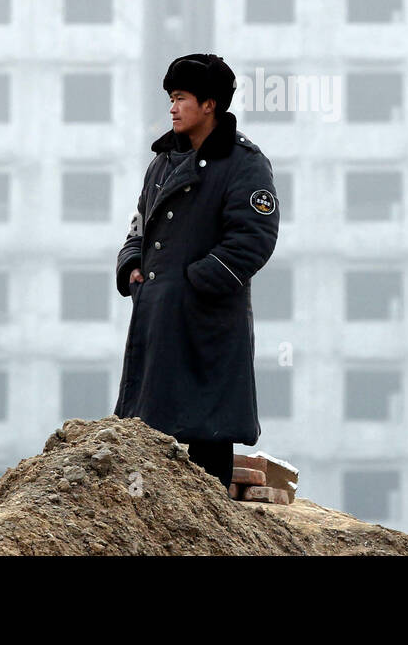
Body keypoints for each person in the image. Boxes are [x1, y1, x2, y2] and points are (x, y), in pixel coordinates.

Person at [112, 54, 280, 490]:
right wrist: (132, 261)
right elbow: (139, 222)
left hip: (208, 320)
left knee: (208, 434)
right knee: (148, 435)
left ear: (209, 104)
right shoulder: (163, 161)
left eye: (181, 98)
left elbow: (254, 238)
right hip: (158, 315)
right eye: (170, 98)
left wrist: (197, 281)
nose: (172, 107)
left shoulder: (246, 164)